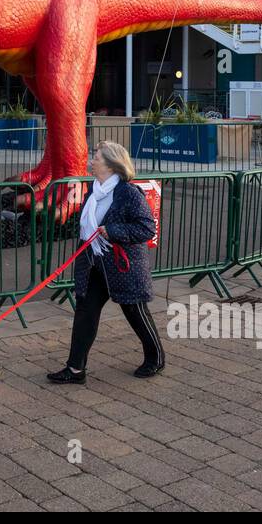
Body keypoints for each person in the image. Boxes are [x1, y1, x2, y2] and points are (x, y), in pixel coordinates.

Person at [47, 140, 164, 385]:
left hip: (124, 266)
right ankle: (75, 369)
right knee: (85, 312)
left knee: (134, 311)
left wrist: (112, 230)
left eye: (97, 157)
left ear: (111, 165)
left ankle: (156, 357)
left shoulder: (127, 192)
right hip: (94, 263)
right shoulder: (95, 190)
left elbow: (146, 228)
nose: (92, 161)